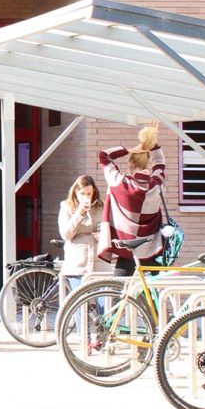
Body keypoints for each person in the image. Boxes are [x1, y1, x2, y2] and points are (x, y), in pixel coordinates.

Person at [98, 121, 167, 276]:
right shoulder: (157, 184)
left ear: (130, 162)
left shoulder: (119, 182)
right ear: (147, 162)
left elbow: (103, 155)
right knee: (152, 289)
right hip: (150, 247)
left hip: (126, 247)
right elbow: (160, 163)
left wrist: (129, 149)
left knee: (119, 288)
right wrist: (152, 143)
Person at [59, 174, 106, 297]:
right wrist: (79, 213)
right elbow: (66, 234)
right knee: (80, 303)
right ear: (75, 192)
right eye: (82, 194)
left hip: (100, 264)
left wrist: (104, 235)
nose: (86, 197)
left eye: (89, 193)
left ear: (94, 192)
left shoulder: (102, 206)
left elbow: (111, 229)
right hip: (78, 263)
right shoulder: (67, 207)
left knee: (105, 303)